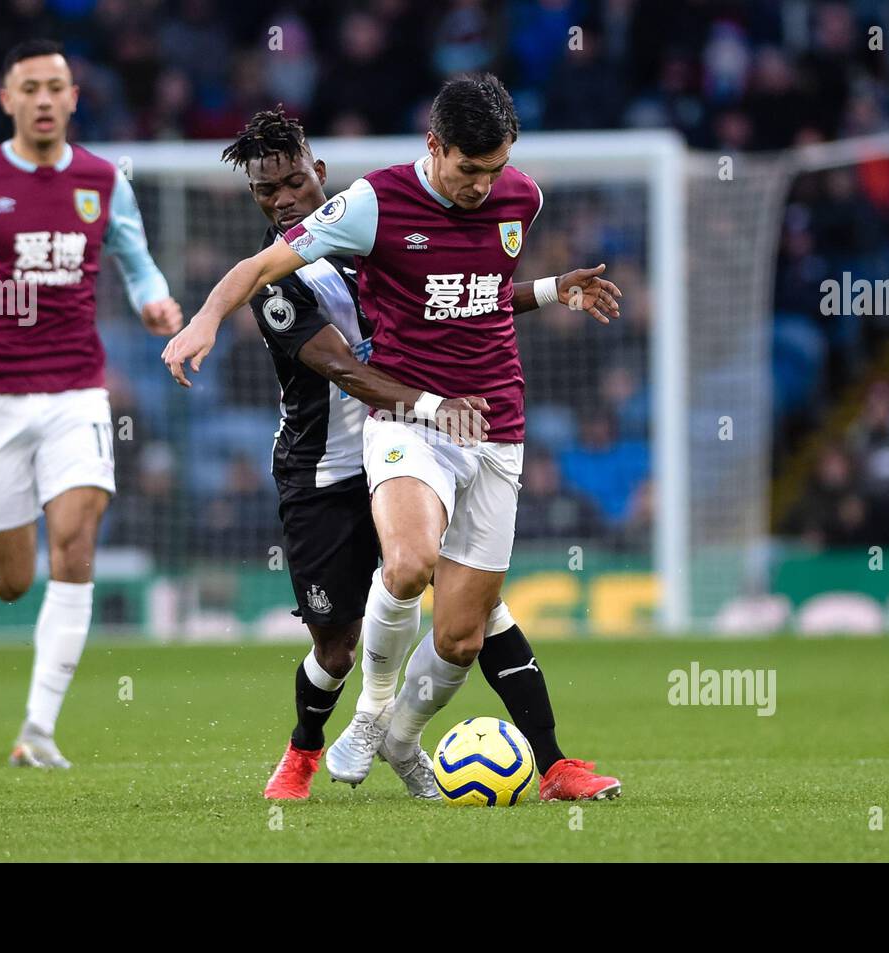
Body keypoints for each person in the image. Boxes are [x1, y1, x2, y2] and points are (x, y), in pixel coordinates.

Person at [167, 81, 621, 802]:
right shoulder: (297, 270)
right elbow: (349, 370)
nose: (283, 200)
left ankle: (540, 759)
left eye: (293, 181)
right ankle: (306, 748)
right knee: (337, 643)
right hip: (330, 463)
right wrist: (203, 320)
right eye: (266, 192)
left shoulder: (397, 220)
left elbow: (466, 295)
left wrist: (547, 289)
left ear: (318, 168)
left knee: (473, 620)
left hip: (444, 431)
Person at [0, 39, 182, 769]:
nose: (46, 99)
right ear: (7, 99)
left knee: (77, 542)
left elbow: (136, 255)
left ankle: (39, 728)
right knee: (10, 580)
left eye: (57, 86)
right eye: (31, 87)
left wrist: (152, 298)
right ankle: (34, 706)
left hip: (77, 391)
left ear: (74, 95)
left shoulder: (100, 179)